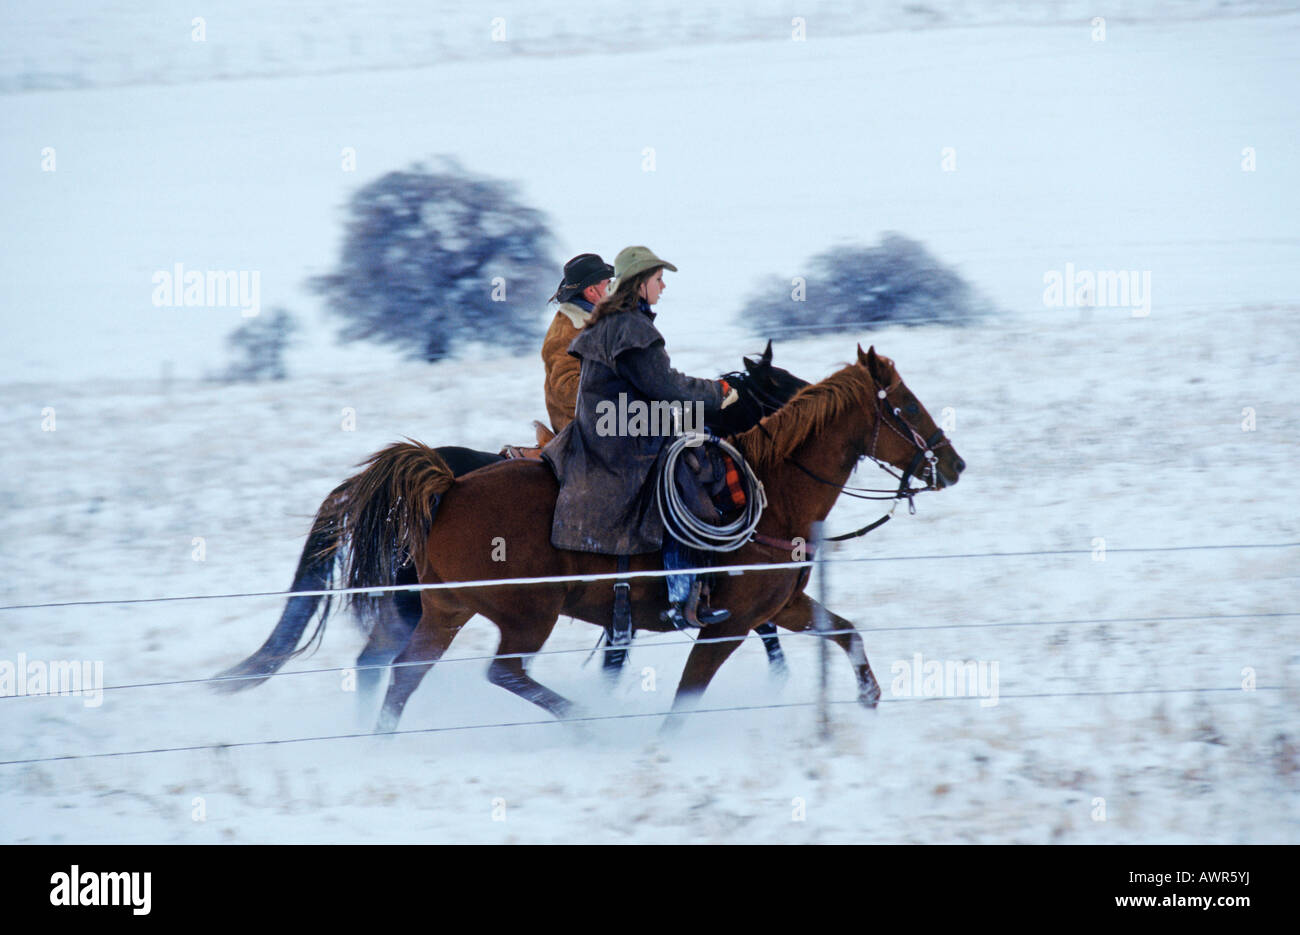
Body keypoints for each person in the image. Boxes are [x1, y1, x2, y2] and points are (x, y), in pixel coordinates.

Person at [542, 246, 738, 628]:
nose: (663, 287)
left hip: (617, 429)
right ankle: (683, 597)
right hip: (619, 440)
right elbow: (666, 385)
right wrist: (718, 393)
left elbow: (651, 387)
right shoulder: (630, 327)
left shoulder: (615, 321)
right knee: (685, 484)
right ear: (640, 284)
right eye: (658, 279)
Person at [541, 253, 614, 435]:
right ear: (591, 292)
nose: (613, 290)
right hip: (584, 428)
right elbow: (565, 389)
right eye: (608, 285)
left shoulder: (594, 323)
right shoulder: (568, 330)